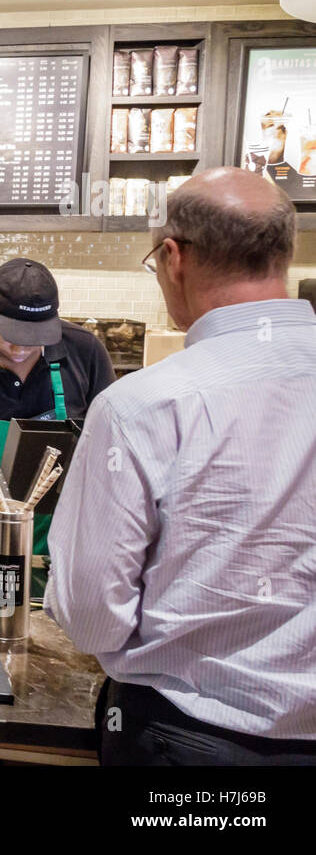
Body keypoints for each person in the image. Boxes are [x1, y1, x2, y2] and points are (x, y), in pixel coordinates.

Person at [46, 166, 316, 765]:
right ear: (284, 253)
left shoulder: (141, 406)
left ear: (173, 257)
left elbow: (93, 619)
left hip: (190, 744)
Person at [0, 258, 115, 553]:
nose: (21, 348)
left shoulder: (85, 352)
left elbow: (110, 446)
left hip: (65, 544)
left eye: (35, 336)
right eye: (11, 335)